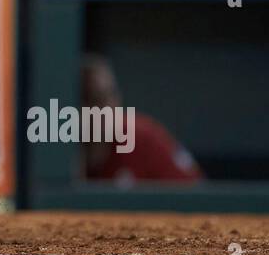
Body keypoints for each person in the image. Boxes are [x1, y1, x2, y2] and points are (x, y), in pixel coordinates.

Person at [82, 54, 204, 184]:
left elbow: (195, 190)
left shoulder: (142, 137)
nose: (107, 106)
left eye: (110, 95)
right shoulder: (67, 149)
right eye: (93, 99)